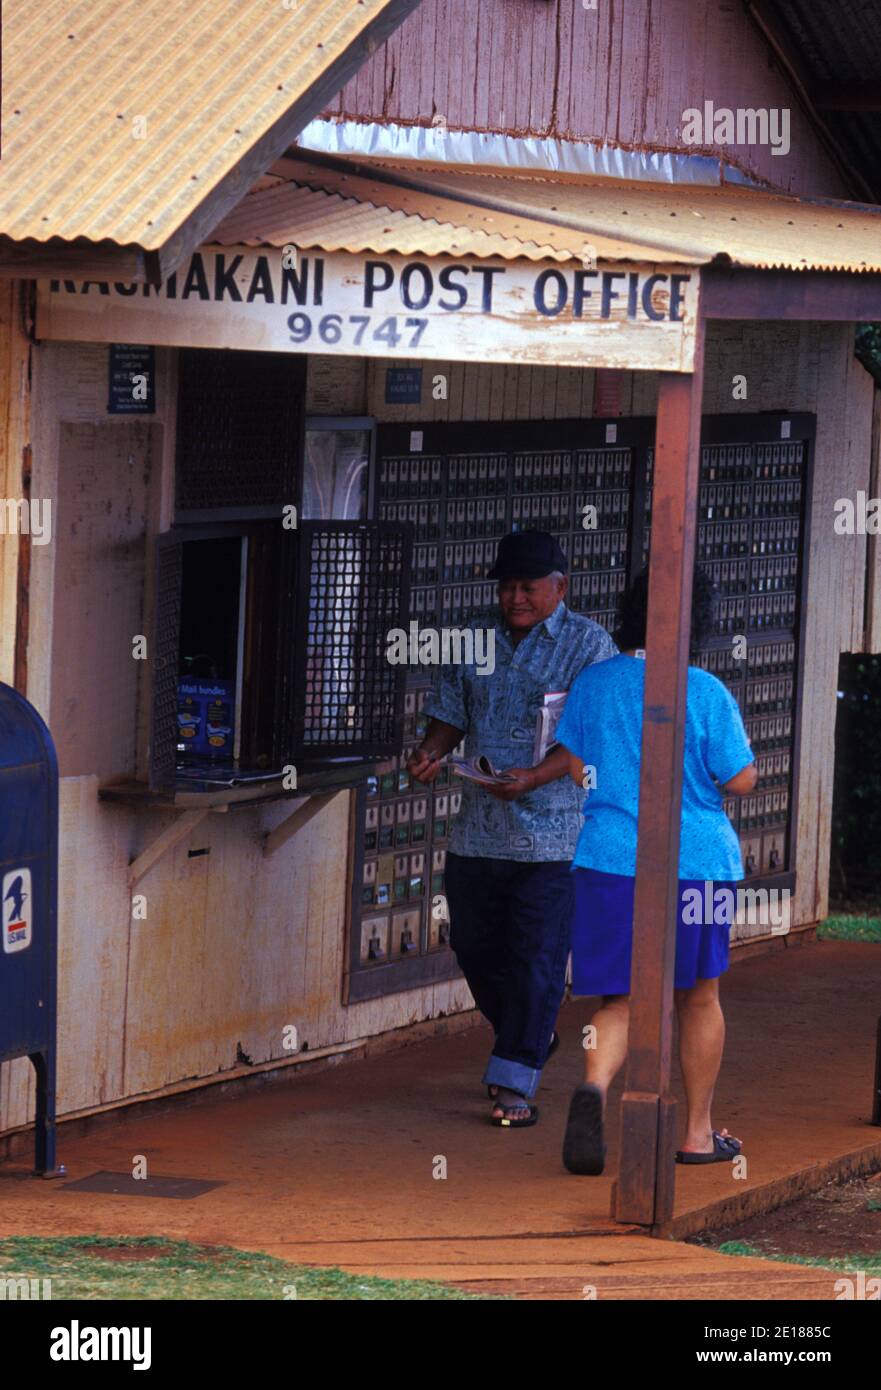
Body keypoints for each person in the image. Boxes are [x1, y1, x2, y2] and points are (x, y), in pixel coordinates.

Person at [407, 531, 617, 1127]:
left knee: (537, 958)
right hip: (479, 830)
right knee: (473, 945)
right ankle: (530, 1032)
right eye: (506, 587)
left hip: (556, 836)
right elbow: (450, 715)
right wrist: (429, 752)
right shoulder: (474, 637)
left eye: (527, 587)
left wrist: (534, 777)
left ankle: (514, 1083)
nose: (514, 598)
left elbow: (588, 738)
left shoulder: (589, 644)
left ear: (560, 587)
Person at [555, 568, 757, 1173]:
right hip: (700, 866)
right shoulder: (706, 689)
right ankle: (696, 1135)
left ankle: (594, 1085)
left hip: (610, 860)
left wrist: (615, 791)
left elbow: (577, 770)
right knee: (699, 995)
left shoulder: (593, 684)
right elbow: (738, 778)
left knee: (621, 996)